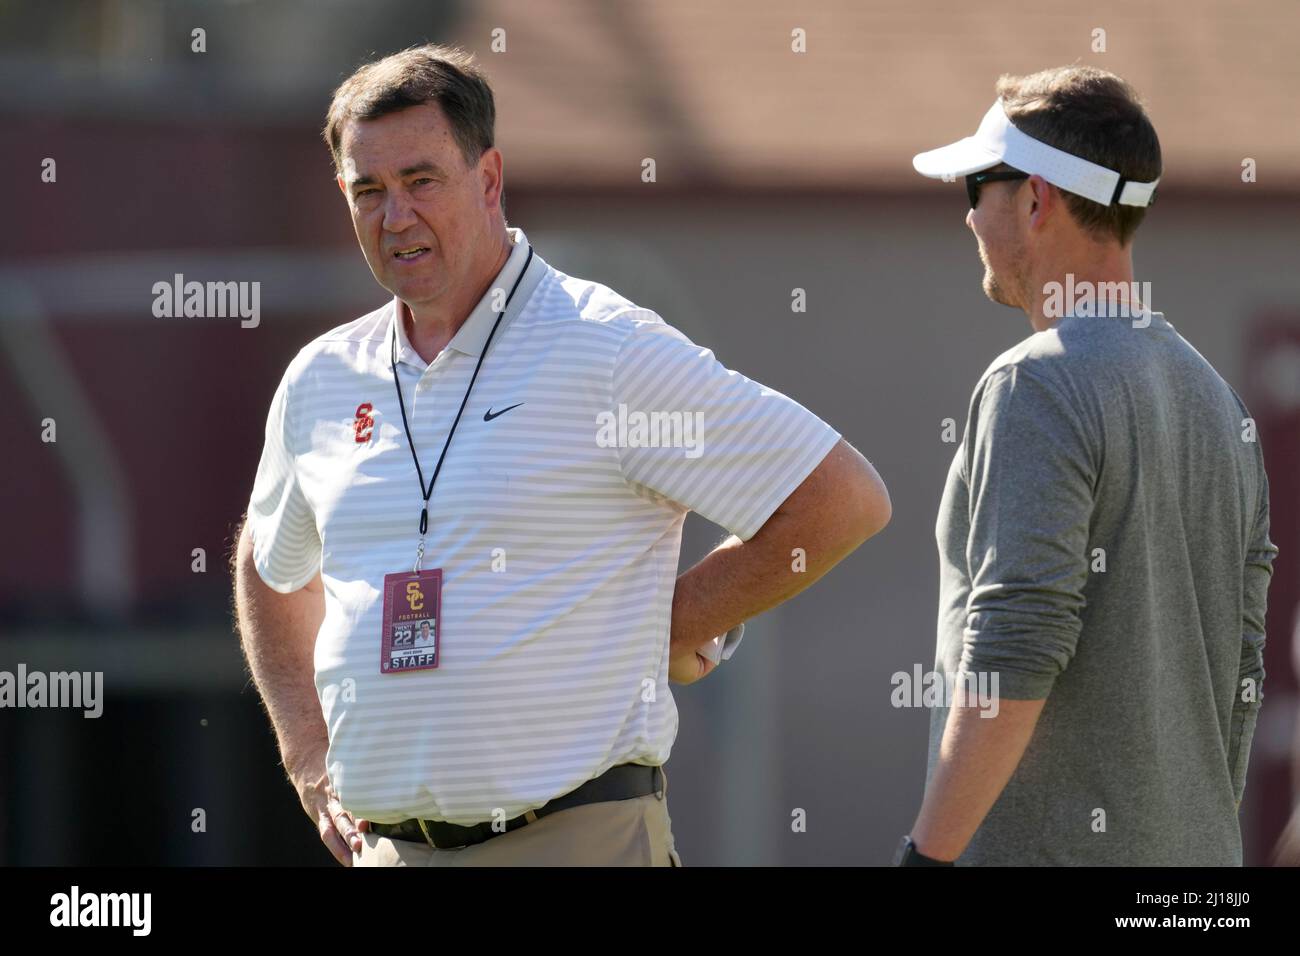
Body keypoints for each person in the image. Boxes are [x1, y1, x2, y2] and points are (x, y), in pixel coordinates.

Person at [231, 44, 891, 867]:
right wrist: (305, 750)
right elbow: (268, 559)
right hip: (391, 853)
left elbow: (840, 499)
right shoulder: (322, 378)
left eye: (422, 181)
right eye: (369, 191)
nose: (395, 216)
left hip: (578, 839)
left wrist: (667, 626)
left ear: (490, 178)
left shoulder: (603, 347)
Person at [895, 65, 1276, 866]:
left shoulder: (1034, 381)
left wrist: (925, 859)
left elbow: (1017, 640)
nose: (968, 218)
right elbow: (1246, 668)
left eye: (976, 189)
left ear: (1034, 199)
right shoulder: (1221, 403)